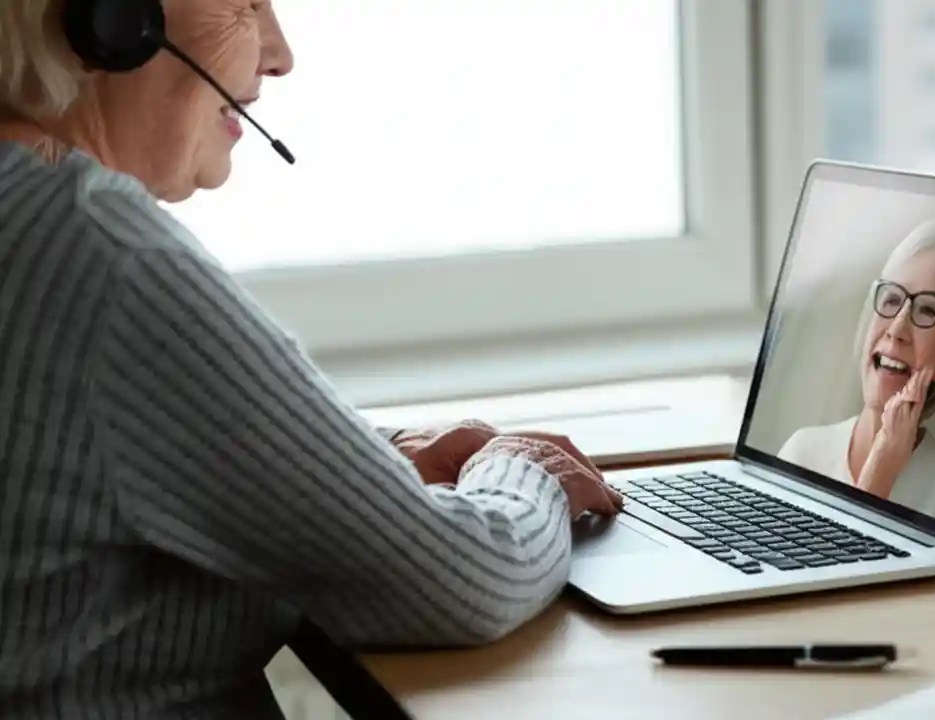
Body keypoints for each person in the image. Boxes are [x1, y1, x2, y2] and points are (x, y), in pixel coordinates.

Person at [0, 1, 623, 718]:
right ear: (109, 15)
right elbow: (468, 579)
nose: (280, 52)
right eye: (245, 4)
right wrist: (521, 468)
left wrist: (357, 479)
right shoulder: (103, 260)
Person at [779, 219, 935, 527]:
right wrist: (878, 474)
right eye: (892, 299)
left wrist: (883, 468)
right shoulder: (802, 453)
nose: (898, 329)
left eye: (927, 309)